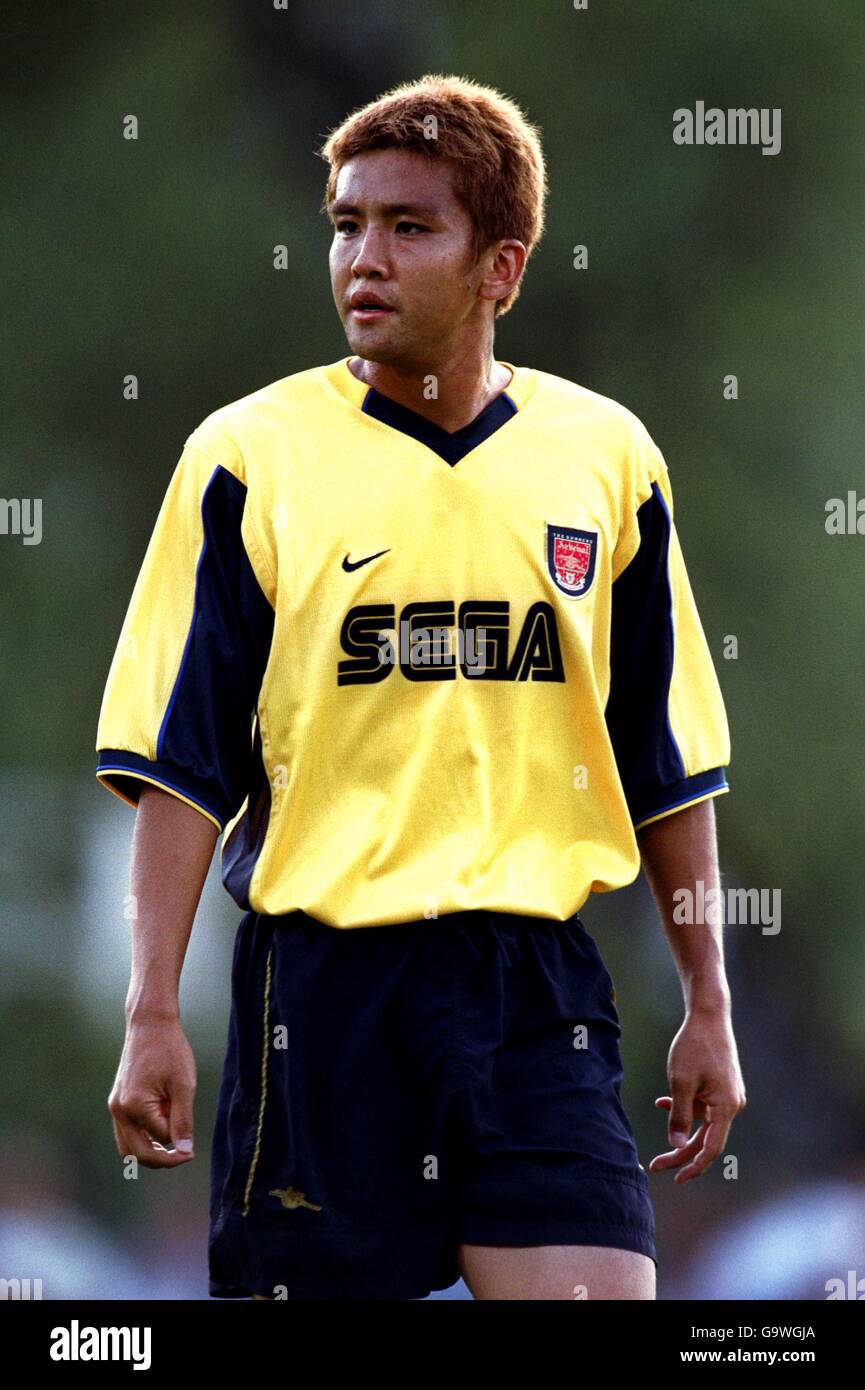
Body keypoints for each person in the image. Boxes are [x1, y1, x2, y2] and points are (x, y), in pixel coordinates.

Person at [98, 73, 746, 1302]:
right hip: (325, 997)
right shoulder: (247, 457)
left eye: (409, 227)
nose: (363, 258)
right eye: (347, 224)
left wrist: (708, 1001)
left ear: (500, 268)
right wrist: (152, 1009)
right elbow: (178, 765)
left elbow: (662, 761)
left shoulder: (606, 458)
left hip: (535, 988)